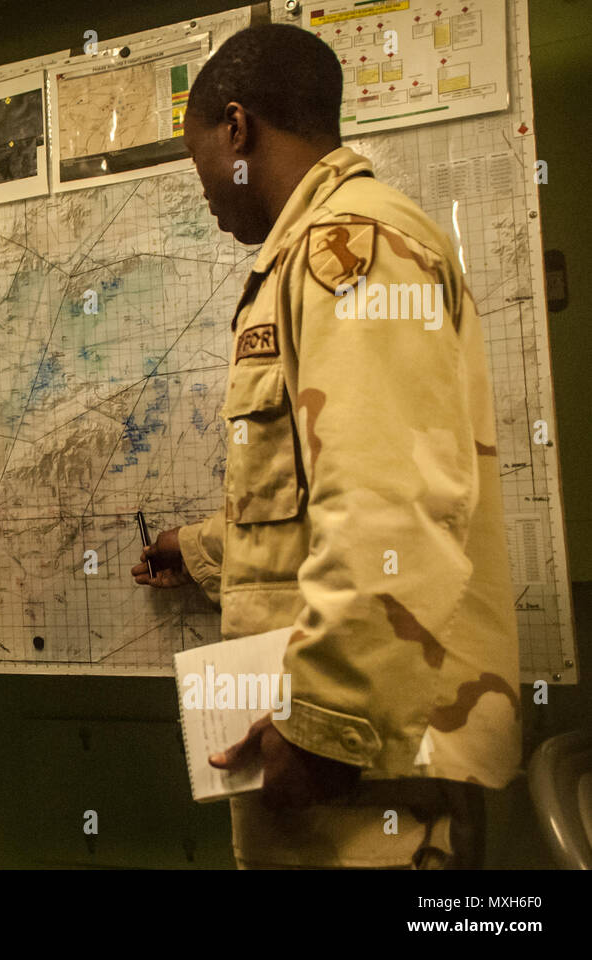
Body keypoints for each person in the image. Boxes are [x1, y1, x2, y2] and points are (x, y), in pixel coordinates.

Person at [132, 24, 520, 869]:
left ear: (236, 128)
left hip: (363, 779)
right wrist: (195, 550)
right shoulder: (312, 254)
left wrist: (321, 727)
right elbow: (312, 505)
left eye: (197, 154)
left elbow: (389, 508)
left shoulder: (353, 250)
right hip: (338, 767)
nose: (202, 187)